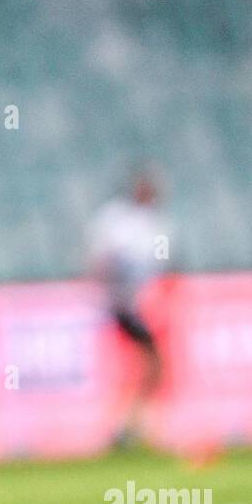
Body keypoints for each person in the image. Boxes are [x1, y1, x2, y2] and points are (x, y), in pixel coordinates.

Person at [86, 170, 169, 446]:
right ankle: (128, 427)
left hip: (125, 303)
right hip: (118, 304)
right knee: (151, 364)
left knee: (148, 365)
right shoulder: (120, 220)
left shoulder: (142, 222)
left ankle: (130, 426)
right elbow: (107, 260)